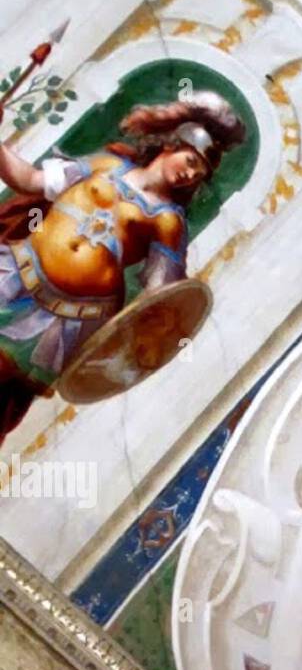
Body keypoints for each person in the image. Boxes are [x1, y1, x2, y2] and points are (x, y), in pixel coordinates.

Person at [0, 90, 245, 441]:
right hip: (14, 275)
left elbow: (161, 294)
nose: (190, 175)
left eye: (199, 173)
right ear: (172, 146)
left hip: (64, 321)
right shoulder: (106, 165)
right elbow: (30, 182)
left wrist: (162, 323)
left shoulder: (169, 221)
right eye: (191, 161)